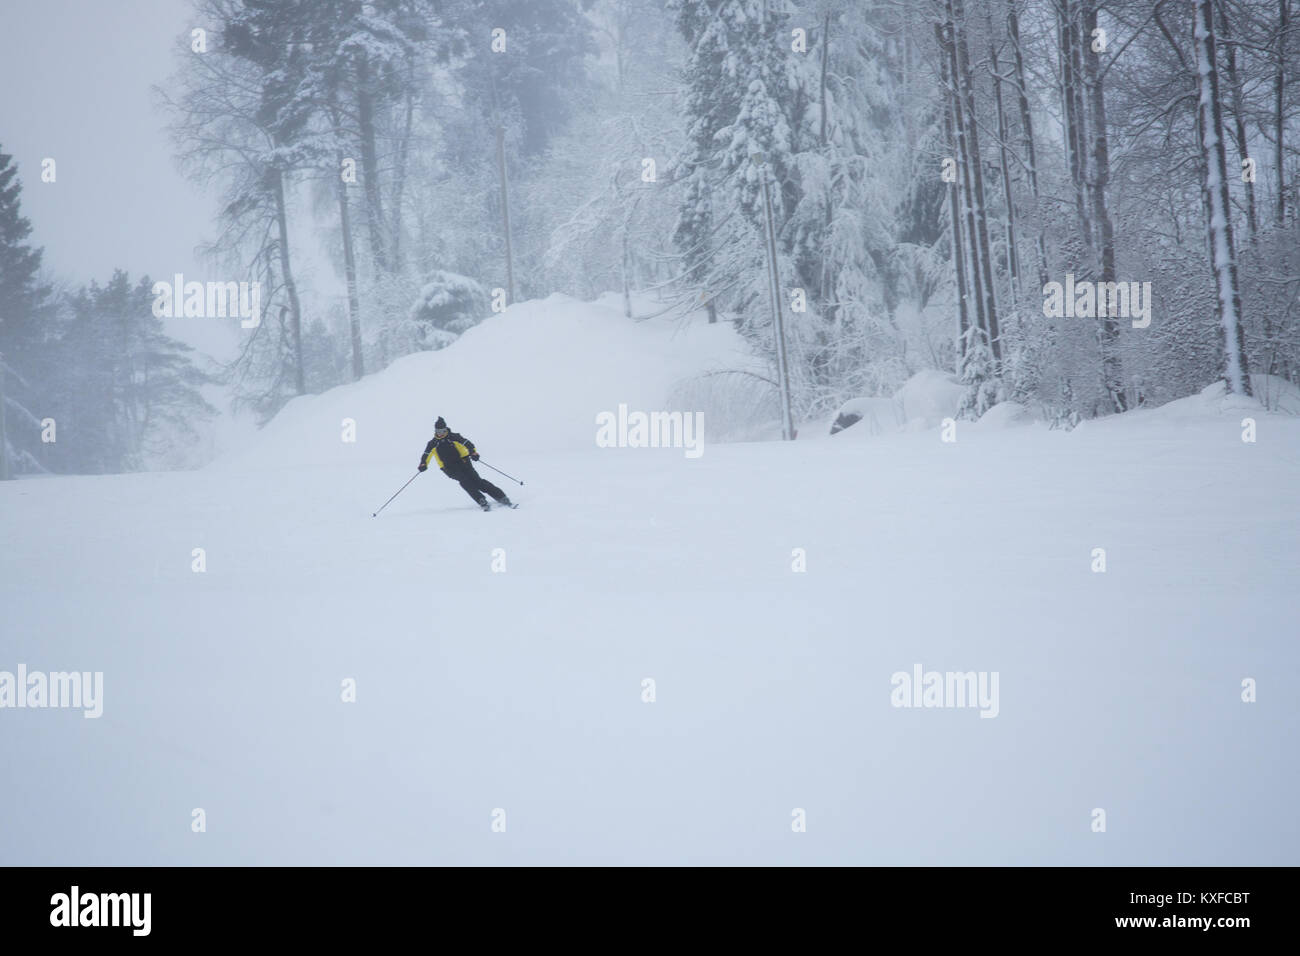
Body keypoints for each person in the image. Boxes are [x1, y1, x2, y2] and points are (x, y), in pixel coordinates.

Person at [417, 417, 513, 511]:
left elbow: (469, 444)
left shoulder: (454, 437)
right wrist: (423, 464)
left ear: (446, 429)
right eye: (438, 431)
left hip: (464, 462)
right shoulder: (432, 443)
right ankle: (480, 499)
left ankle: (501, 497)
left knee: (477, 480)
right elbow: (426, 455)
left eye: (442, 431)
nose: (440, 433)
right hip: (448, 467)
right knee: (465, 481)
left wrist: (473, 452)